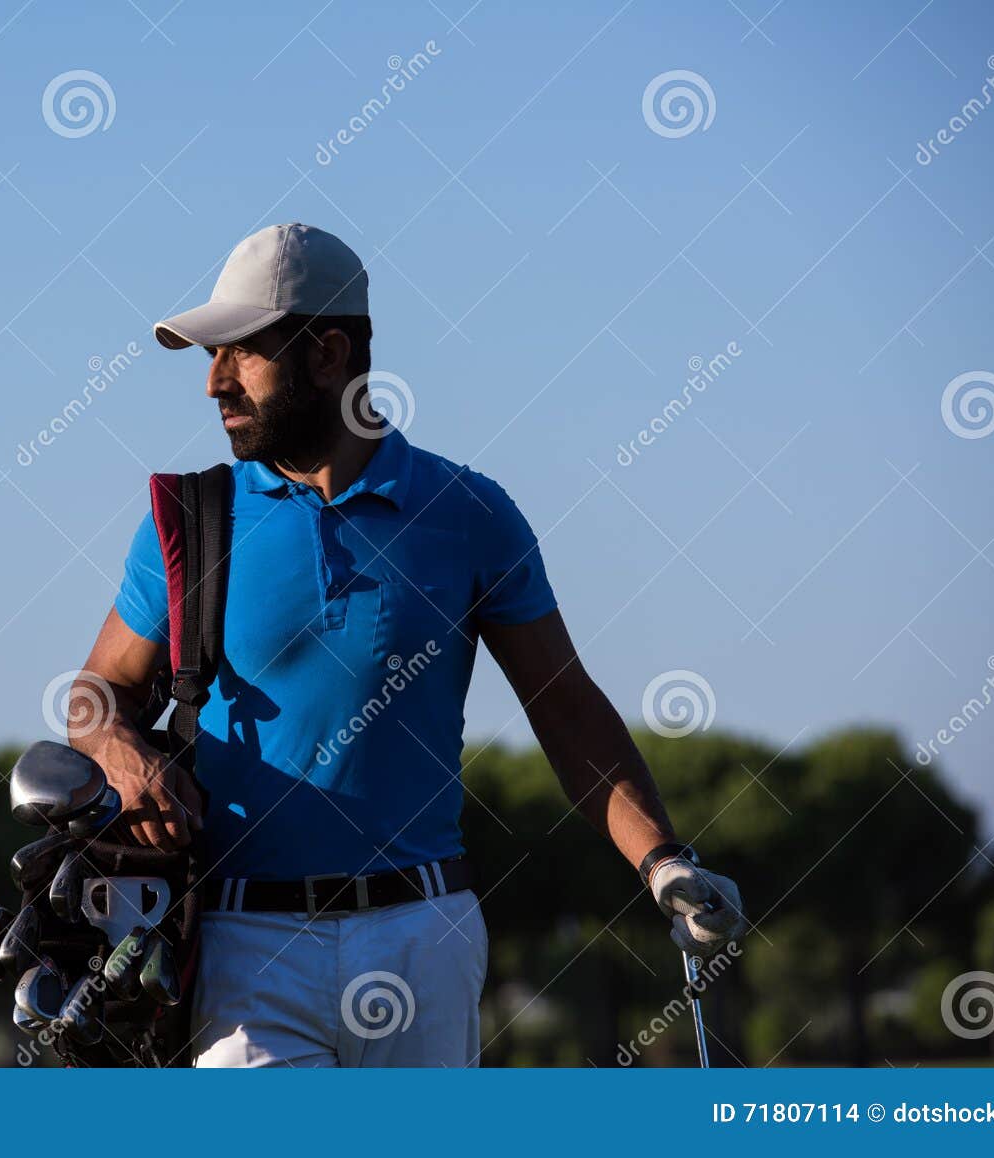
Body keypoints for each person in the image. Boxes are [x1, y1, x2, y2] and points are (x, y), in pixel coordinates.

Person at [69, 222, 746, 1067]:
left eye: (239, 352)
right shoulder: (190, 522)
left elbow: (565, 708)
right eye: (211, 359)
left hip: (424, 938)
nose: (213, 383)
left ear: (328, 354)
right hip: (246, 947)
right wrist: (125, 757)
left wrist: (662, 862)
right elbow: (95, 694)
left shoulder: (471, 513)